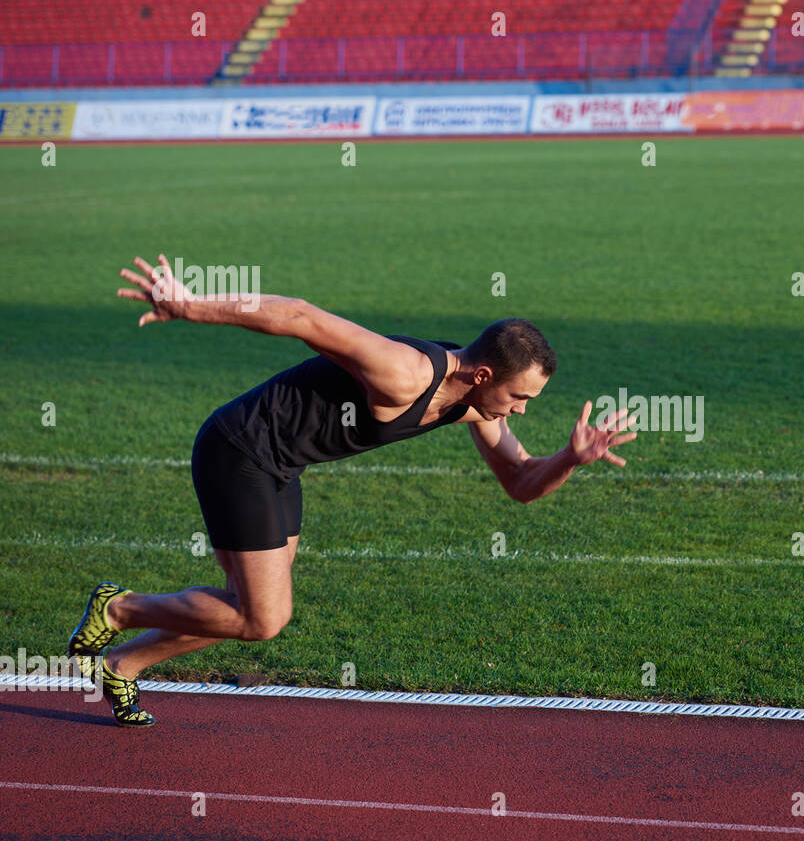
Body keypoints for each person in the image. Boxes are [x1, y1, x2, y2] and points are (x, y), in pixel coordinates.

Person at [70, 254, 637, 727]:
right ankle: (117, 608)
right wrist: (188, 304)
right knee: (262, 618)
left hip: (282, 466)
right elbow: (300, 316)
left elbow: (519, 483)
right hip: (238, 450)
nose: (519, 410)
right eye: (521, 398)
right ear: (485, 375)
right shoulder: (405, 372)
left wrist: (570, 457)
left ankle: (122, 666)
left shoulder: (474, 405)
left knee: (238, 607)